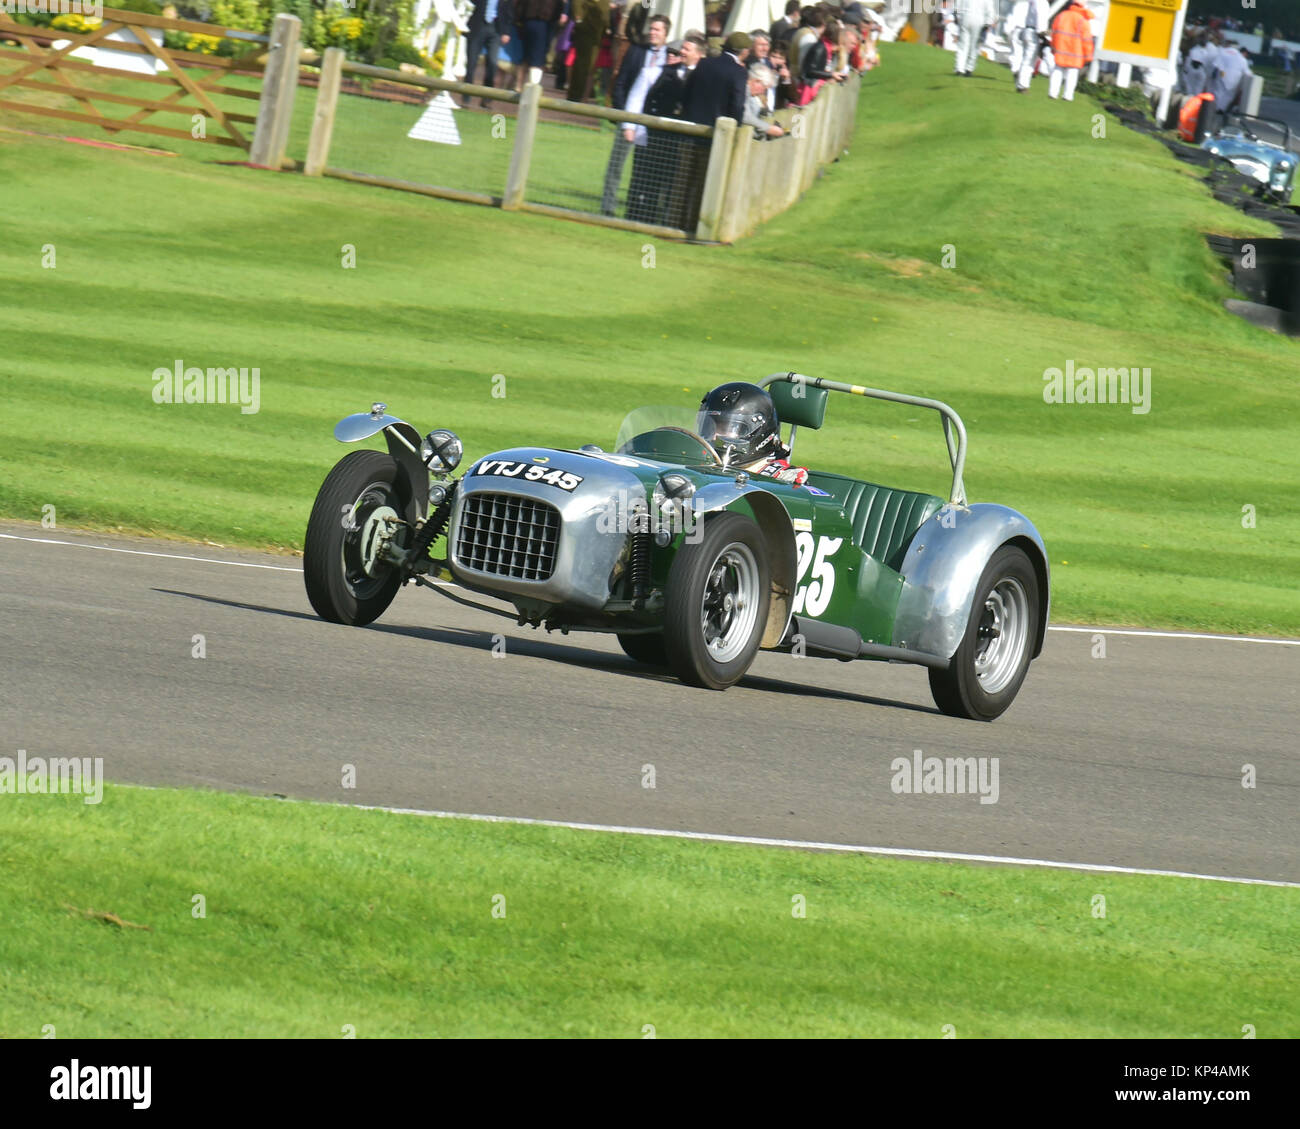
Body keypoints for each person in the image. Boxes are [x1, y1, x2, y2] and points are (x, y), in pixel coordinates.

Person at [602, 14, 672, 219]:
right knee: (616, 165)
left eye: (657, 29)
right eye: (651, 28)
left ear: (666, 33)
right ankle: (608, 207)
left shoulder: (670, 56)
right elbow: (620, 83)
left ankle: (639, 210)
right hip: (629, 119)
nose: (652, 32)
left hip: (652, 124)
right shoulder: (635, 51)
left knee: (645, 170)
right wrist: (626, 118)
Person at [696, 383, 809, 485]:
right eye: (710, 428)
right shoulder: (698, 463)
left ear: (759, 432)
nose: (714, 436)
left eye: (725, 428)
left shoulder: (781, 478)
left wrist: (786, 487)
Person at [464, 0, 516, 101]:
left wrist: (506, 32)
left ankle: (487, 98)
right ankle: (466, 95)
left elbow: (509, 11)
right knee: (471, 62)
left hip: (496, 29)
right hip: (478, 26)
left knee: (492, 63)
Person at [512, 0, 565, 91]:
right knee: (538, 59)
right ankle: (531, 89)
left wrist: (518, 21)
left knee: (527, 56)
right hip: (542, 20)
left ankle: (519, 85)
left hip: (532, 20)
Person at [1048, 0, 1093, 101]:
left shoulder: (1062, 15)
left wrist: (1053, 47)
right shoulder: (1083, 20)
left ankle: (1052, 93)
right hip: (1076, 52)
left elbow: (1054, 32)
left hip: (1061, 49)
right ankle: (1068, 95)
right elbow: (1087, 40)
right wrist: (1088, 56)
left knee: (1057, 70)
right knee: (1072, 74)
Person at [567, 0, 609, 101]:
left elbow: (605, 11)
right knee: (581, 65)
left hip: (597, 33)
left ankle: (582, 96)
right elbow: (577, 3)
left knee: (591, 67)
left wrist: (607, 26)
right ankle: (575, 96)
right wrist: (579, 19)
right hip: (586, 29)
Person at [1006, 0, 1047, 93]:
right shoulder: (1042, 3)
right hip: (1034, 32)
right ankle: (1023, 85)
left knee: (1025, 59)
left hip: (1026, 29)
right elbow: (1041, 19)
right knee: (1029, 60)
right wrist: (1042, 33)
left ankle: (1020, 81)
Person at [743, 64, 786, 138]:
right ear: (757, 81)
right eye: (764, 88)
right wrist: (769, 128)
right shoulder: (743, 89)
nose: (762, 92)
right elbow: (745, 116)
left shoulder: (748, 92)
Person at [953, 0, 994, 76]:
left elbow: (958, 4)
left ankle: (959, 68)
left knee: (962, 45)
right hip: (979, 18)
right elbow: (990, 10)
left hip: (965, 16)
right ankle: (969, 68)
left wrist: (957, 16)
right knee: (974, 46)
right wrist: (987, 23)